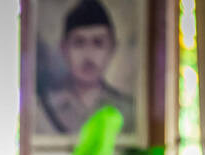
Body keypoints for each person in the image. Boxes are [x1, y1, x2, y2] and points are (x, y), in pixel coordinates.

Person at [38, 0, 135, 136]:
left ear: (112, 47)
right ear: (64, 48)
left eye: (98, 43)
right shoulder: (42, 108)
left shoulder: (128, 111)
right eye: (79, 43)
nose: (88, 55)